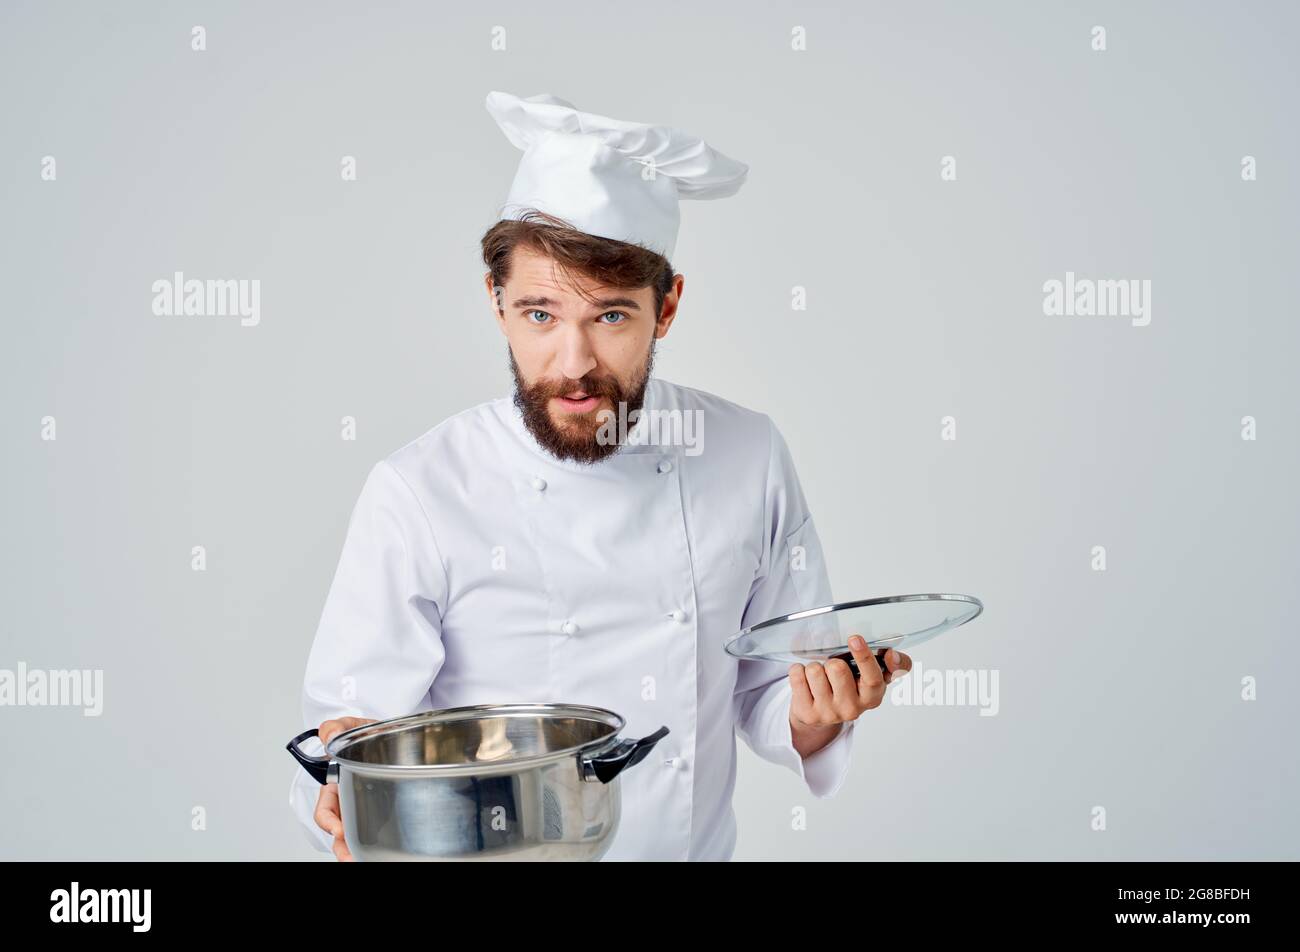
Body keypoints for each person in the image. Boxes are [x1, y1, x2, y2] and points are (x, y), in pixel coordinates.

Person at [288, 91, 911, 861]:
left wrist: (818, 713)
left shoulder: (748, 454)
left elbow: (770, 691)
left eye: (611, 316)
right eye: (540, 315)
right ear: (496, 302)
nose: (574, 365)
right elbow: (347, 729)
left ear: (668, 306)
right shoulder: (421, 490)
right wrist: (344, 778)